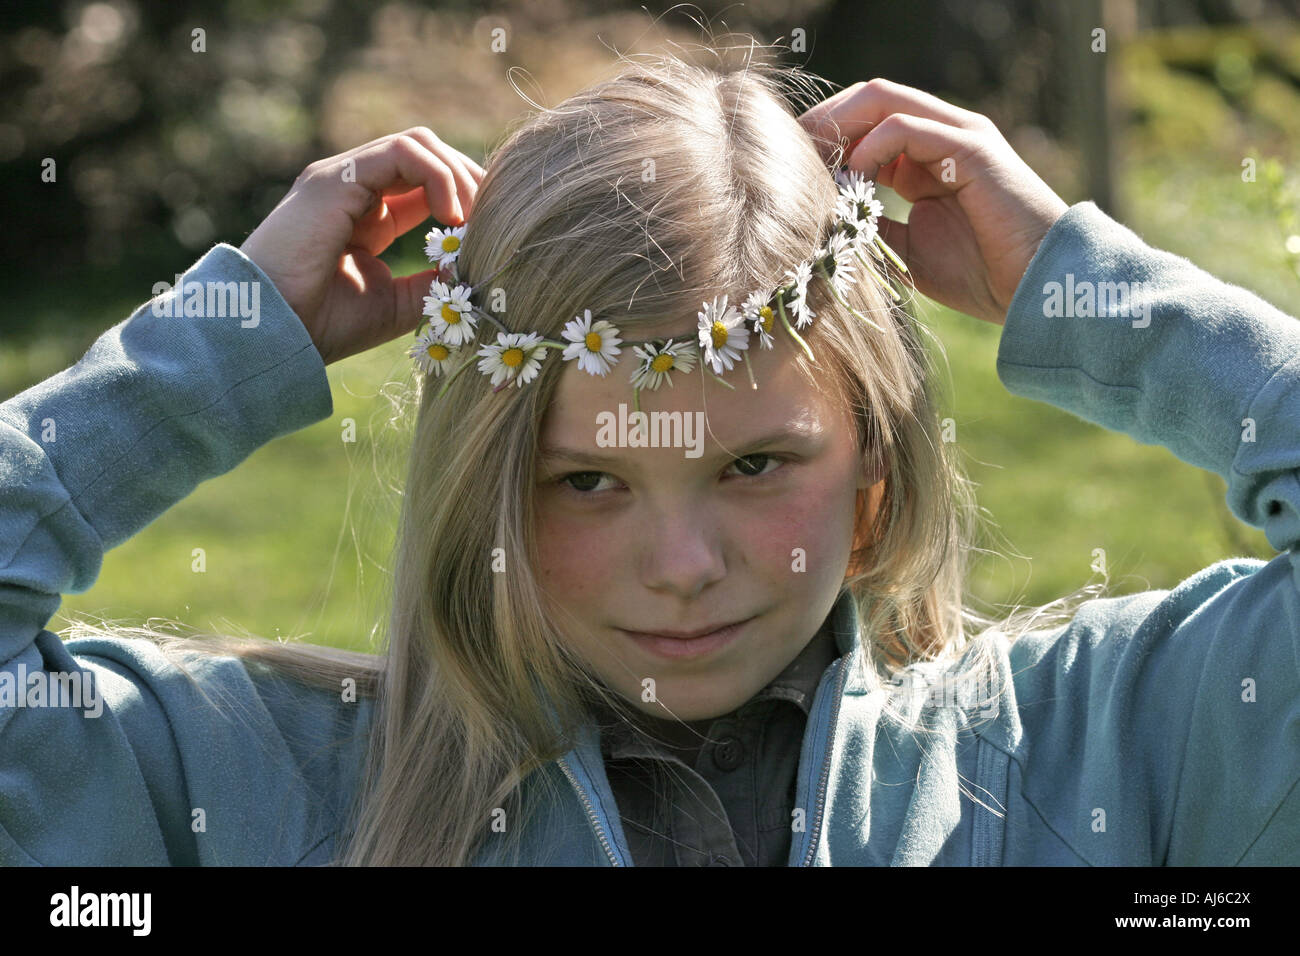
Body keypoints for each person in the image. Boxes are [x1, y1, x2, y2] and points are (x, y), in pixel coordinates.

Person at [1, 45, 1297, 867]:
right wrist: (217, 351)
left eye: (753, 468)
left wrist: (1093, 299)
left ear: (871, 468)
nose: (682, 568)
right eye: (589, 482)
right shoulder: (268, 787)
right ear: (485, 496)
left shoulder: (1103, 749)